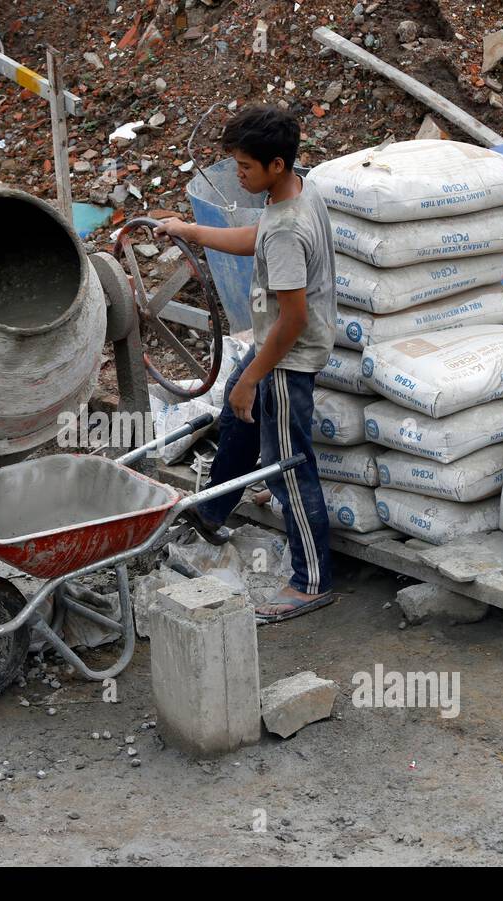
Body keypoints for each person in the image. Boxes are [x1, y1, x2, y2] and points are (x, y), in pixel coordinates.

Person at [155, 105, 337, 624]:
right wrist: (191, 231)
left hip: (286, 360)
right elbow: (251, 239)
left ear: (276, 165)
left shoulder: (285, 230)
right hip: (276, 352)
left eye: (246, 168)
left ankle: (312, 581)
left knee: (288, 468)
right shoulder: (299, 193)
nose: (239, 175)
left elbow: (294, 317)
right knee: (236, 417)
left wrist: (255, 376)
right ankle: (213, 511)